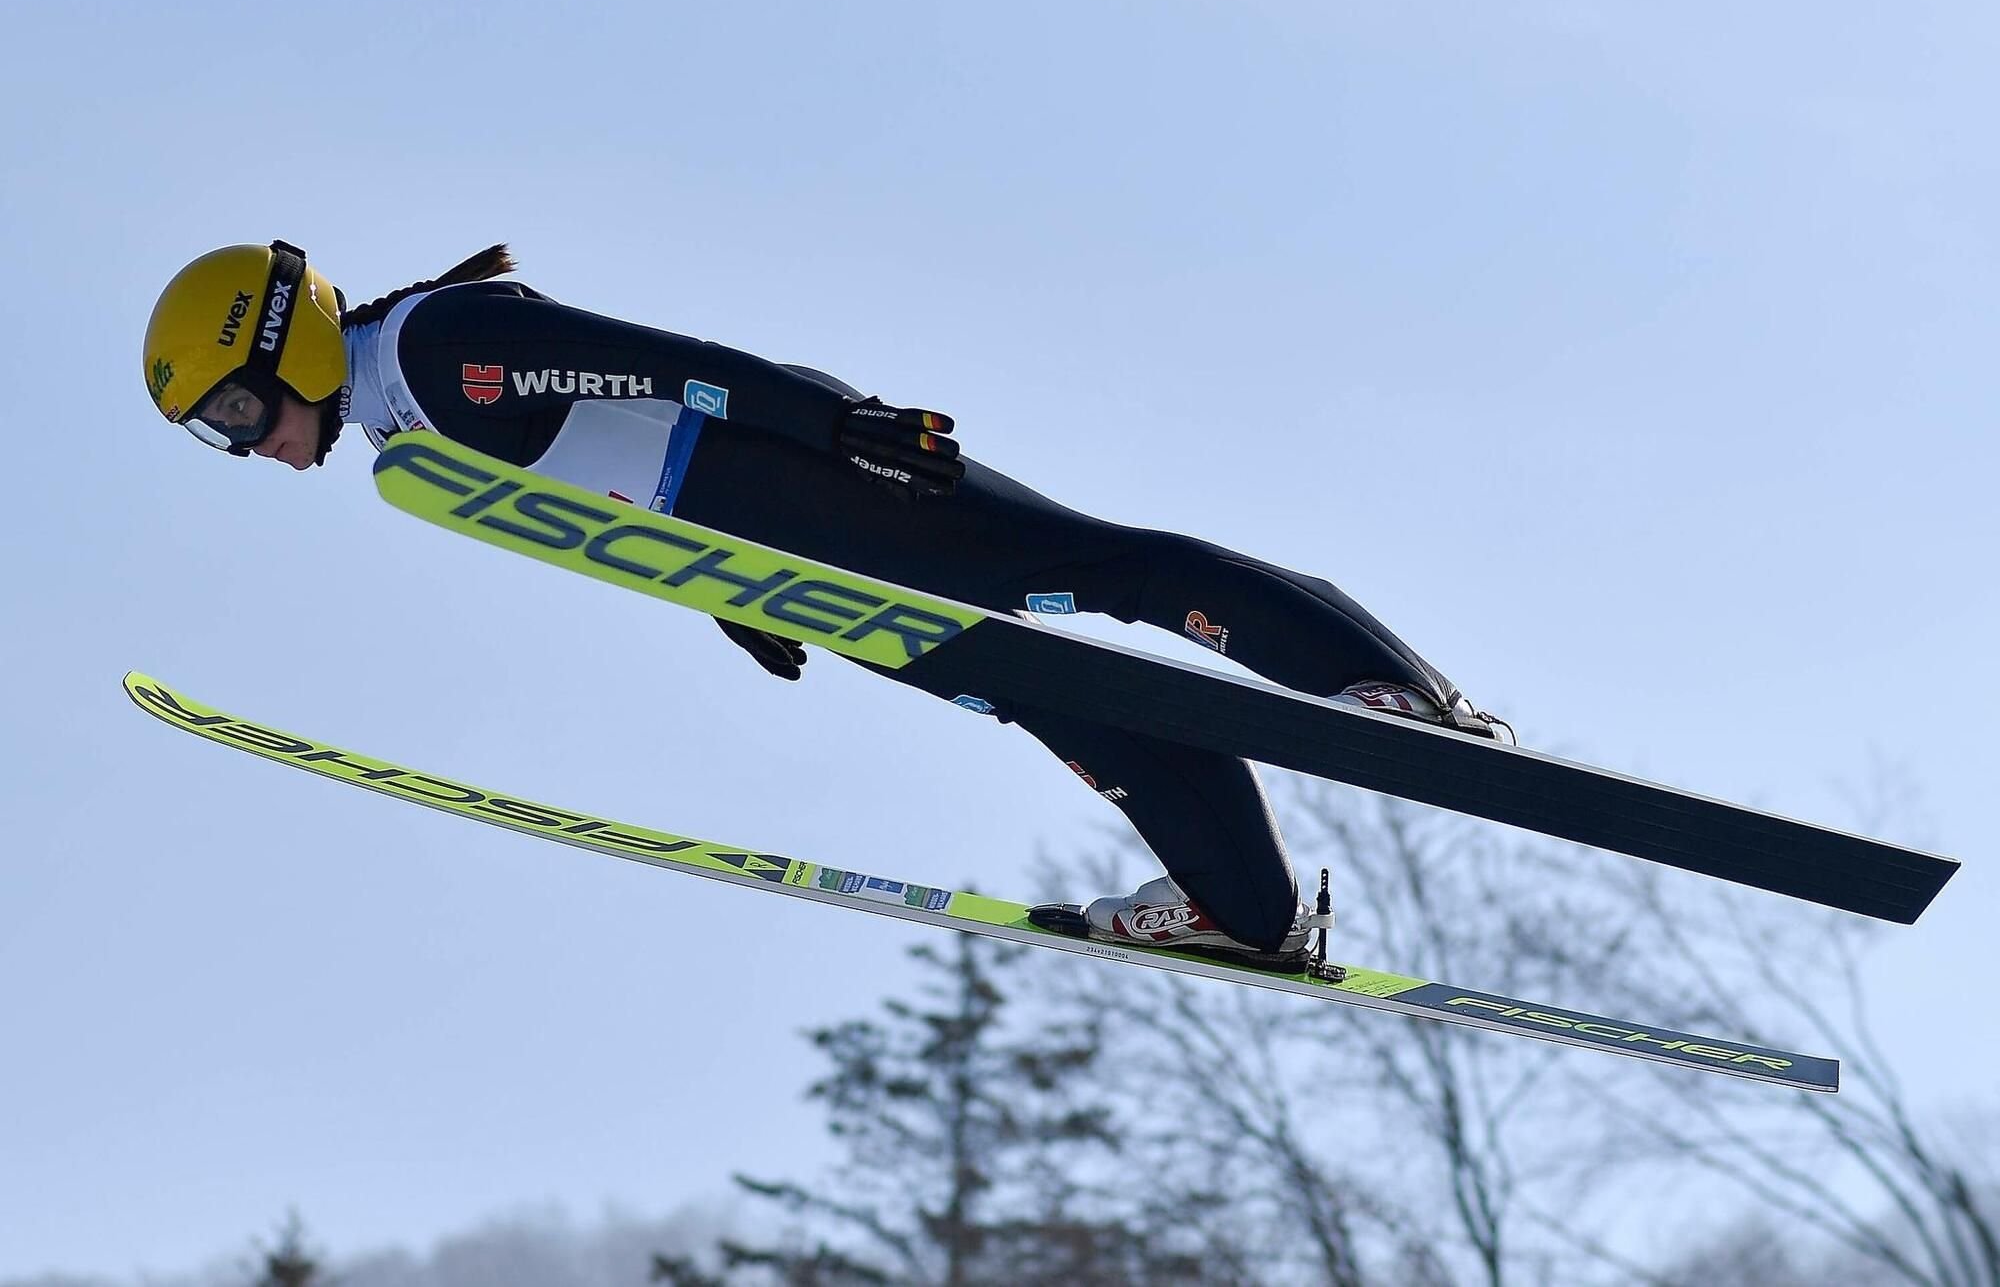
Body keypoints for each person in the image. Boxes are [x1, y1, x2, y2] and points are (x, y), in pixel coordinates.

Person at [142, 240, 1510, 968]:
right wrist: (732, 592)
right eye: (220, 435)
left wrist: (839, 427)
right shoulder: (404, 433)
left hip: (801, 473)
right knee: (1048, 688)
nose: (251, 443)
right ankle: (1247, 906)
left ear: (288, 338)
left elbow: (660, 369)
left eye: (241, 407)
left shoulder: (433, 350)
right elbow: (609, 481)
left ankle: (1386, 692)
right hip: (760, 525)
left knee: (1104, 571)